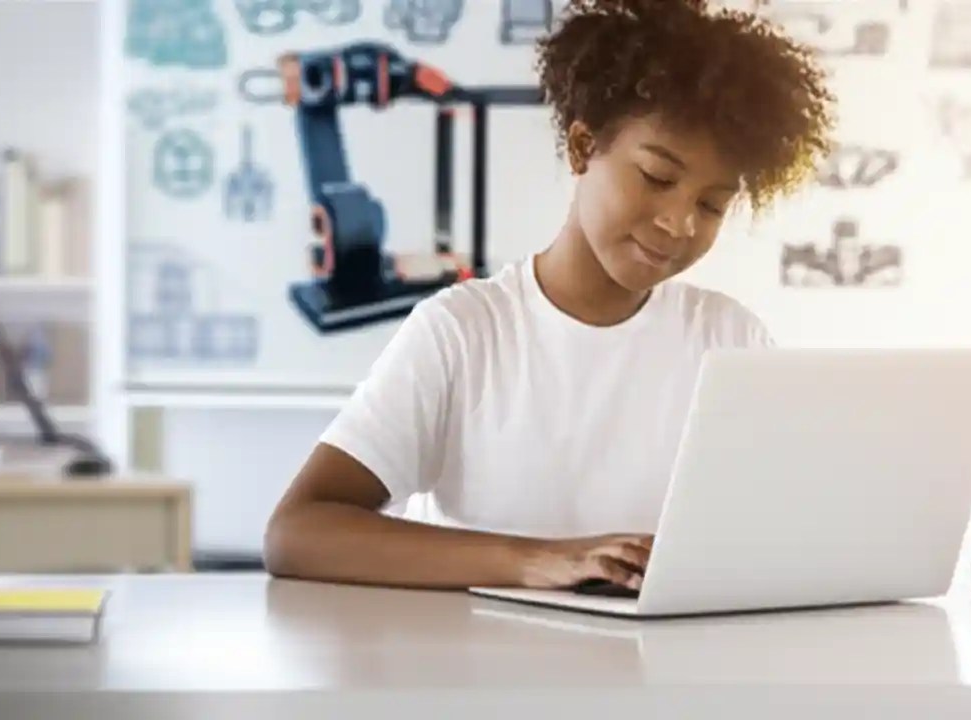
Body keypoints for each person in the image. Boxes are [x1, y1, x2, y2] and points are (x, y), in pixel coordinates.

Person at [264, 0, 837, 592]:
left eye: (711, 204)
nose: (680, 223)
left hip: (657, 679)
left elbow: (789, 535)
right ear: (583, 148)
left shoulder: (730, 340)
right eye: (658, 178)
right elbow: (297, 532)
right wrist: (539, 560)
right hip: (476, 677)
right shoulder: (464, 331)